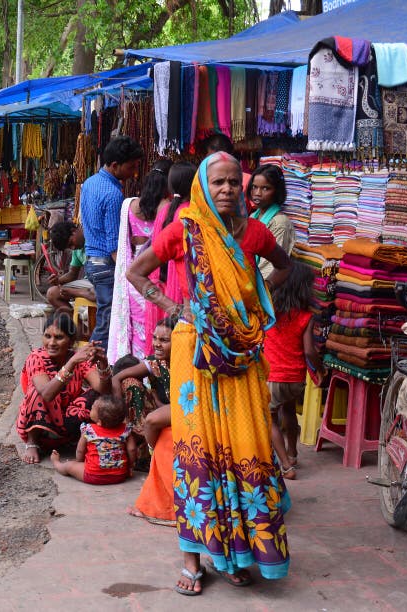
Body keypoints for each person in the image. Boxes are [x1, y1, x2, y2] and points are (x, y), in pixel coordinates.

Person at [127, 152, 292, 594]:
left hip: (242, 351)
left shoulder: (253, 232)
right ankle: (192, 559)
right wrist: (176, 309)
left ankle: (237, 555)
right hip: (194, 350)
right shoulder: (184, 230)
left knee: (244, 447)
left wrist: (254, 301)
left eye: (234, 183)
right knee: (198, 449)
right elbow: (136, 272)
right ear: (202, 185)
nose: (227, 190)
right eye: (218, 182)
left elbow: (285, 266)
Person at [16, 313, 113, 464]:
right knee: (37, 392)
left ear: (71, 341)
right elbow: (46, 394)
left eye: (59, 337)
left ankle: (82, 439)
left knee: (96, 396)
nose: (52, 343)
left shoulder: (78, 359)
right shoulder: (36, 357)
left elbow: (103, 390)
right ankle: (32, 442)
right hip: (43, 425)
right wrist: (71, 364)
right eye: (47, 336)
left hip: (69, 421)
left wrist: (103, 365)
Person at [79, 136, 144, 351]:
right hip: (106, 264)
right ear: (115, 166)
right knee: (107, 320)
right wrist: (128, 272)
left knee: (106, 315)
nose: (134, 172)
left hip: (92, 261)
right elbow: (113, 243)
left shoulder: (89, 183)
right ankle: (89, 364)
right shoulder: (113, 194)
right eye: (131, 167)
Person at [109, 159, 172, 363]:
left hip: (133, 275)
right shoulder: (168, 209)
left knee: (136, 327)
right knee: (153, 325)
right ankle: (151, 370)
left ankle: (135, 368)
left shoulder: (129, 205)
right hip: (152, 275)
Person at [265, 262, 323, 479]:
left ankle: (287, 466)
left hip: (273, 376)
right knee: (289, 411)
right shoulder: (306, 316)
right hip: (296, 379)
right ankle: (293, 451)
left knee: (269, 419)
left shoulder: (271, 311)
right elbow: (309, 351)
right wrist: (320, 369)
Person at [117, 318, 176, 526]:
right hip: (164, 411)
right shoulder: (155, 362)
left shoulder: (187, 362)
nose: (158, 344)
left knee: (154, 422)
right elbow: (119, 377)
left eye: (165, 340)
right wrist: (120, 422)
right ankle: (143, 447)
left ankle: (151, 454)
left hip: (185, 410)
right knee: (130, 383)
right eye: (155, 338)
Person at [144, 162, 197, 345]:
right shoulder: (189, 212)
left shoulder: (164, 209)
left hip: (158, 281)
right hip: (176, 282)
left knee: (159, 337)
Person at [50, 395, 136, 485]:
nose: (90, 408)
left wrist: (79, 462)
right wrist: (130, 467)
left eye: (92, 408)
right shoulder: (126, 430)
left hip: (93, 475)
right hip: (120, 475)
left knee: (69, 466)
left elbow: (80, 450)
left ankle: (57, 463)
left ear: (99, 421)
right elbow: (132, 449)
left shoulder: (89, 430)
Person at [248, 164, 296, 280]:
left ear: (276, 191)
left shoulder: (279, 223)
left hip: (265, 288)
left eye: (265, 188)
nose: (257, 193)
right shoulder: (253, 216)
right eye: (254, 187)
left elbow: (270, 267)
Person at [45, 222, 95, 314]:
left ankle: (78, 292)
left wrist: (73, 292)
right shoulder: (77, 249)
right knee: (52, 294)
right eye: (69, 247)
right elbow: (72, 273)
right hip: (89, 283)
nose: (73, 248)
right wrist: (58, 280)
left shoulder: (93, 237)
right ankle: (79, 327)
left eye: (71, 243)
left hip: (102, 282)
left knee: (100, 290)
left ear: (73, 231)